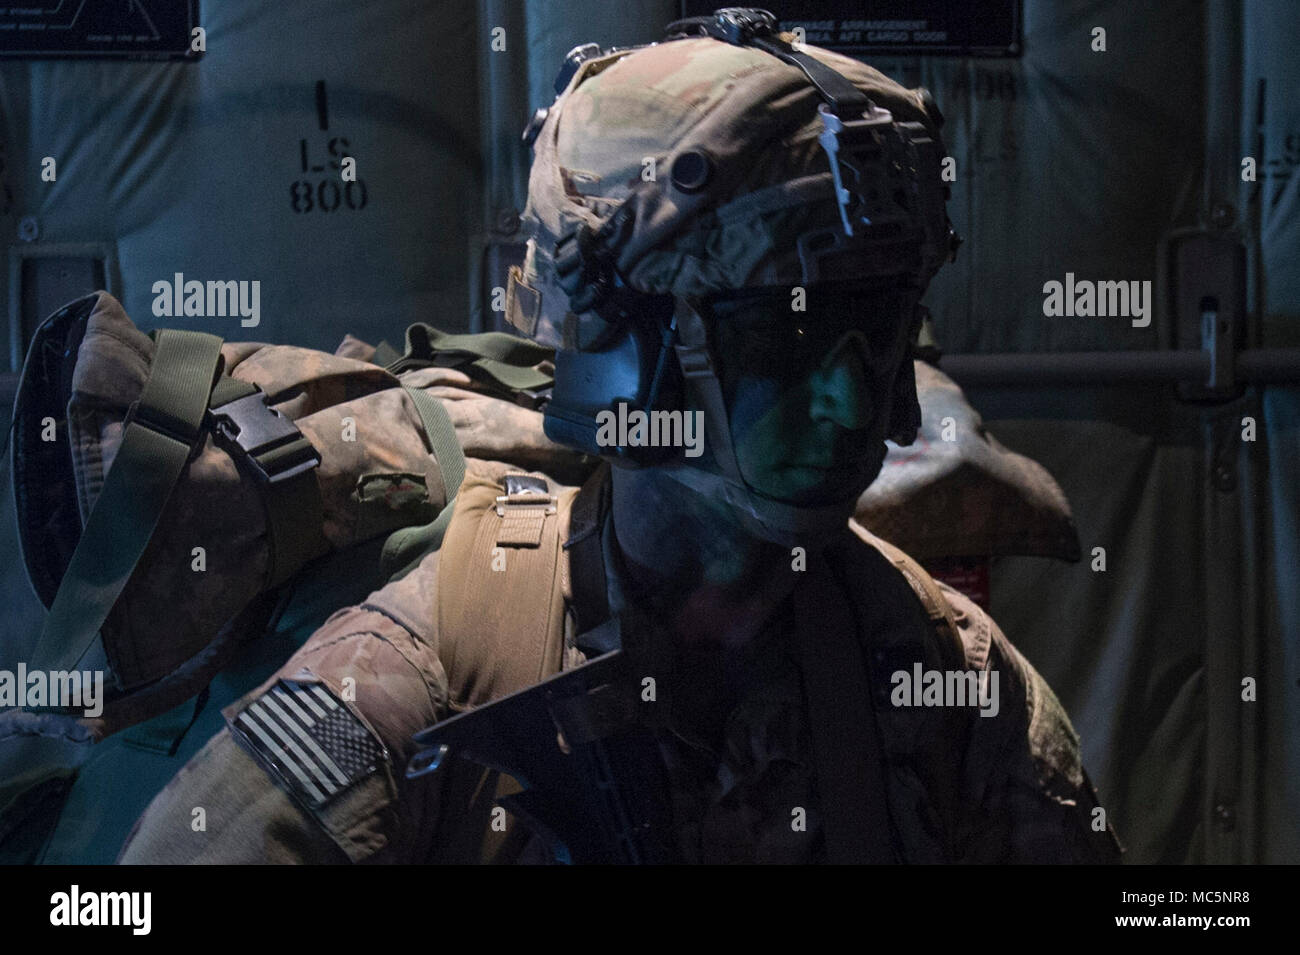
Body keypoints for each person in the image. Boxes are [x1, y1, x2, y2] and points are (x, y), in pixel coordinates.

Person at [118, 9, 1122, 864]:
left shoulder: (947, 674)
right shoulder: (413, 680)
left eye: (880, 338)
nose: (849, 403)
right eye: (786, 342)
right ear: (623, 355)